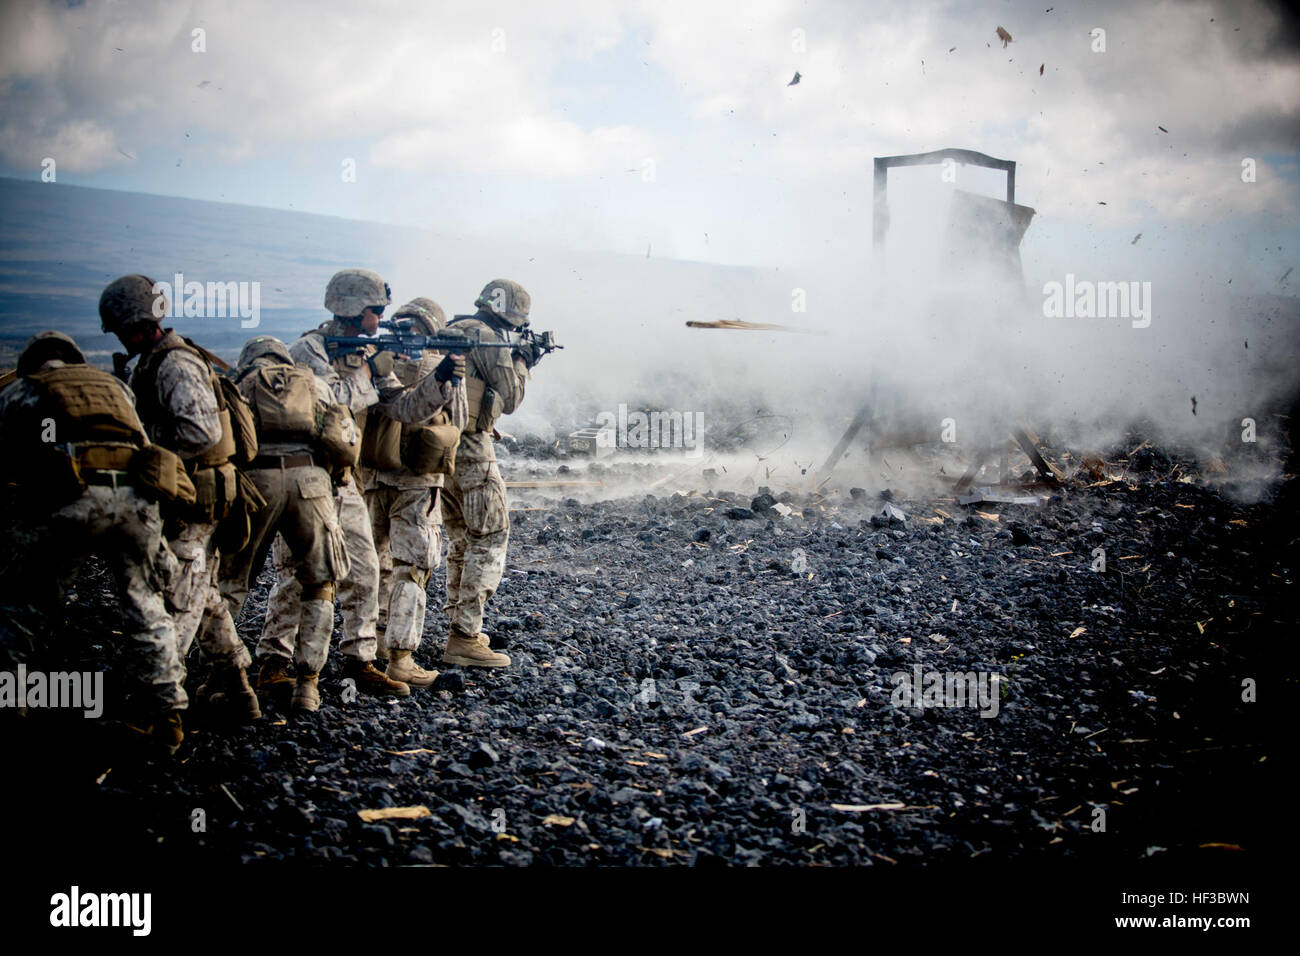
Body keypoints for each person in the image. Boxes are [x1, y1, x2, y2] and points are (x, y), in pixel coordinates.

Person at [256, 269, 466, 700]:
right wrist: (368, 370)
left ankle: (361, 659)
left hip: (342, 476)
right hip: (303, 475)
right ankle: (273, 663)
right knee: (298, 572)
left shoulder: (367, 351)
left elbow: (403, 408)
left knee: (367, 568)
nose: (379, 321)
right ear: (350, 309)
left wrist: (441, 378)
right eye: (374, 312)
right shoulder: (309, 350)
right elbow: (324, 404)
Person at [0, 332, 188, 750]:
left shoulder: (24, 390)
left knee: (23, 603)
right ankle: (168, 716)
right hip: (133, 500)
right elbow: (143, 443)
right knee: (144, 602)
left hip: (68, 498)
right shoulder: (114, 387)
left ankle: (13, 706)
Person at [98, 275, 261, 722]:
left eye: (121, 331)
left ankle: (161, 710)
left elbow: (201, 432)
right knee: (204, 596)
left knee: (179, 599)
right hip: (191, 492)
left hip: (196, 498)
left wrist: (143, 448)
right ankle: (236, 688)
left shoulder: (174, 363)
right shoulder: (157, 359)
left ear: (136, 325)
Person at [219, 336, 352, 713]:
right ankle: (308, 685)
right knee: (320, 582)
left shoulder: (239, 384)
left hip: (256, 483)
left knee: (232, 580)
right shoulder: (315, 383)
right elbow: (342, 439)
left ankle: (228, 678)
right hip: (310, 482)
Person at [440, 279, 545, 667]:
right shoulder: (491, 341)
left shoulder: (452, 329)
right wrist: (523, 362)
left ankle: (457, 623)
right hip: (470, 447)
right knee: (492, 532)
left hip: (438, 444)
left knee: (461, 536)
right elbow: (512, 398)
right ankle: (464, 637)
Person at [362, 298, 467, 688]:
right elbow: (458, 420)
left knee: (372, 563)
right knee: (413, 567)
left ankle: (365, 647)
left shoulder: (374, 360)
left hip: (372, 474)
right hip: (418, 481)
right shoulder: (437, 368)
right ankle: (401, 658)